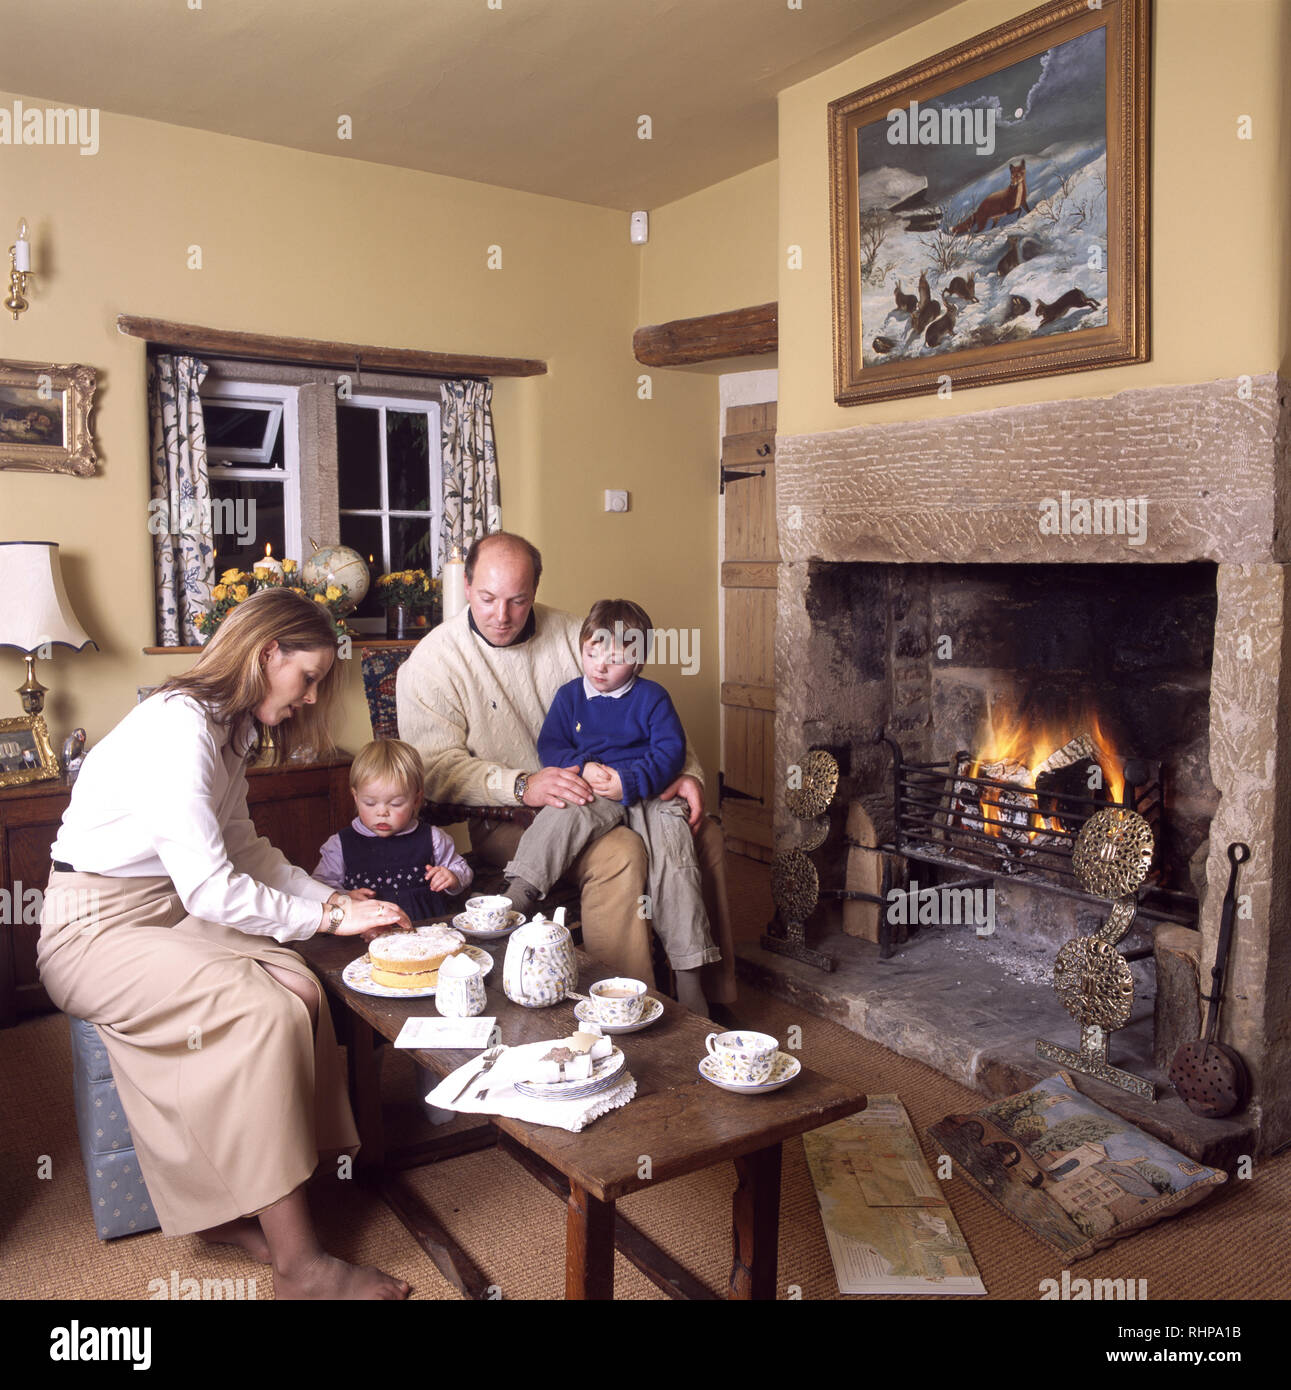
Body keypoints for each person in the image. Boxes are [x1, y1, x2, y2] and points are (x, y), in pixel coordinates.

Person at [37, 587, 412, 1300]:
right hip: (91, 930)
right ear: (268, 653)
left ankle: (243, 1203)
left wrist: (332, 902)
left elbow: (249, 852)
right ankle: (300, 1269)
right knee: (260, 1011)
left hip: (166, 909)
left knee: (301, 988)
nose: (308, 699)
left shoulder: (226, 732)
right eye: (306, 678)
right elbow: (213, 889)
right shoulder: (177, 730)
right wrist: (328, 922)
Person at [396, 531, 736, 1007]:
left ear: (535, 590)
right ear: (466, 585)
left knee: (707, 833)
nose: (502, 615)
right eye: (489, 598)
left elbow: (650, 712)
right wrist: (520, 785)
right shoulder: (432, 661)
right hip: (511, 818)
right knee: (622, 852)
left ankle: (711, 998)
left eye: (518, 600)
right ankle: (625, 1007)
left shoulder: (578, 635)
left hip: (609, 790)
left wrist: (689, 775)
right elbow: (432, 770)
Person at [501, 599, 720, 1013]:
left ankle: (690, 978)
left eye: (615, 658)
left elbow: (670, 753)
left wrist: (630, 781)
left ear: (638, 661)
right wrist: (581, 769)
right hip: (594, 786)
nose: (599, 667)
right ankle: (518, 894)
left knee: (676, 860)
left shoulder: (653, 698)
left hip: (651, 792)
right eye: (591, 653)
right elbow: (551, 745)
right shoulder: (570, 697)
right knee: (563, 811)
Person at [313, 738, 473, 921]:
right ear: (355, 797)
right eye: (370, 803)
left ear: (415, 799)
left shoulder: (433, 838)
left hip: (425, 930)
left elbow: (462, 869)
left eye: (396, 804)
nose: (382, 812)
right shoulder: (340, 844)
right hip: (365, 934)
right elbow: (319, 887)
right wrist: (343, 897)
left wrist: (451, 877)